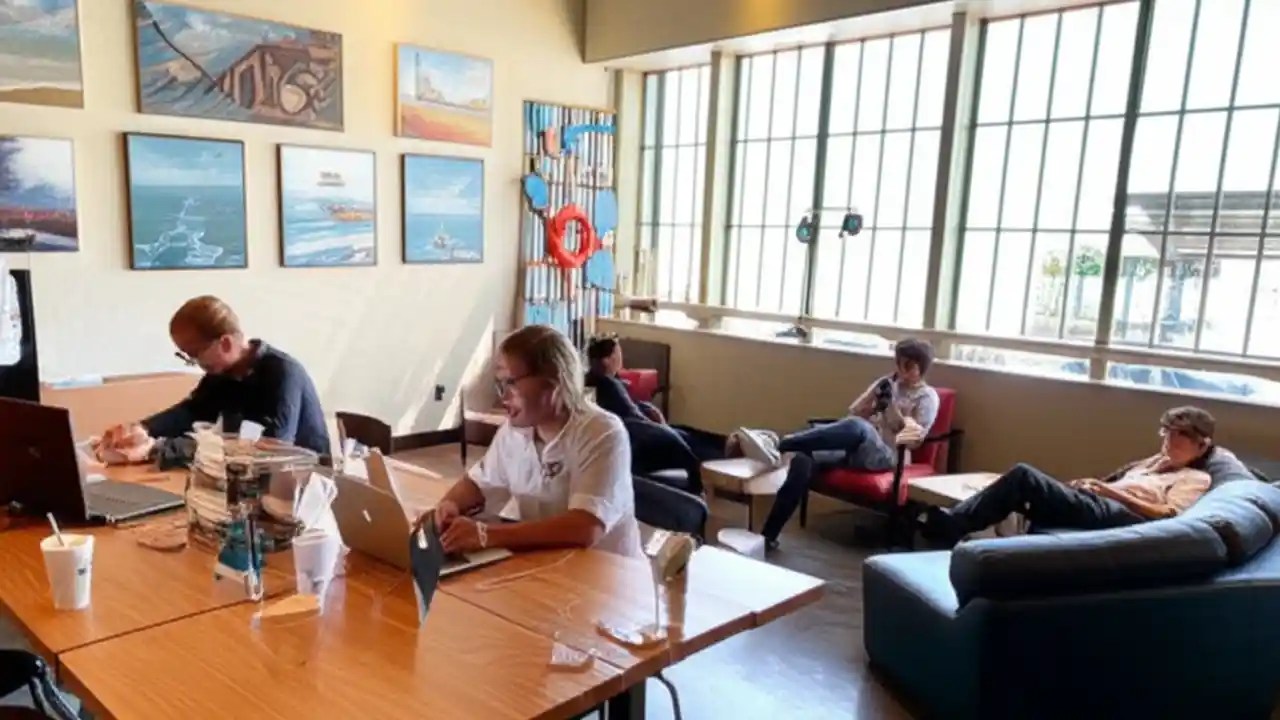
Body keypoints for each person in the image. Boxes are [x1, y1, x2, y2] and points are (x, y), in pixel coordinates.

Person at [425, 325, 642, 557]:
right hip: (546, 563)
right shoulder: (515, 431)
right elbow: (478, 483)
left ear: (554, 381)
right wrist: (449, 506)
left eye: (512, 383)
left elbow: (586, 528)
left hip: (605, 575)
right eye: (500, 384)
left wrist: (487, 535)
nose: (503, 396)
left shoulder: (601, 432)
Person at [924, 406, 1229, 545]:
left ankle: (954, 524)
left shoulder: (1195, 478)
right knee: (1016, 487)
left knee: (1023, 476)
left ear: (1201, 445)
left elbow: (1167, 514)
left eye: (1177, 439)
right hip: (1100, 502)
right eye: (1166, 435)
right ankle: (963, 528)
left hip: (1120, 515)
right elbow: (1116, 481)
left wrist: (1110, 493)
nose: (1167, 443)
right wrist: (1088, 486)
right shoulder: (1157, 462)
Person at [749, 338, 941, 549]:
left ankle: (781, 443)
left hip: (889, 456)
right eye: (898, 363)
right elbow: (853, 413)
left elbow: (913, 442)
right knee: (803, 460)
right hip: (856, 447)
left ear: (920, 368)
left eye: (908, 366)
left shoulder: (927, 397)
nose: (901, 370)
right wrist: (874, 404)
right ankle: (769, 535)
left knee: (858, 427)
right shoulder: (887, 383)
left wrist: (892, 410)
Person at [98, 295, 330, 458]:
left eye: (194, 354)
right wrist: (143, 429)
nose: (195, 363)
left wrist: (160, 449)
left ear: (226, 343)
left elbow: (270, 448)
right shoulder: (223, 373)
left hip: (301, 490)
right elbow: (193, 410)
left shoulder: (282, 373)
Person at [585, 335, 721, 494]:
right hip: (644, 440)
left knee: (685, 431)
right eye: (618, 354)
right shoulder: (608, 385)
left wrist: (648, 408)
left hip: (647, 431)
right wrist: (657, 425)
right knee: (688, 440)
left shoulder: (603, 381)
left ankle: (727, 445)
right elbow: (632, 417)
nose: (621, 359)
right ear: (606, 361)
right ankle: (726, 452)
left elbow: (630, 407)